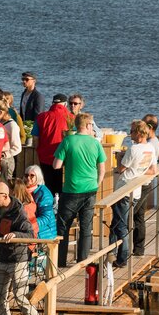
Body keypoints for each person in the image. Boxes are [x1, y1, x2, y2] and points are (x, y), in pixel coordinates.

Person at [53, 112, 106, 267]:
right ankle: (82, 262)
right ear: (88, 126)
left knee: (63, 227)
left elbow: (56, 165)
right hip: (90, 190)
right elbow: (101, 169)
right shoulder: (95, 143)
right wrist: (96, 184)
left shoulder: (68, 140)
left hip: (71, 190)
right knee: (86, 227)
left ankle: (60, 261)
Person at [0, 181, 41, 315]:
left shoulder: (19, 211)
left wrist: (15, 235)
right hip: (0, 259)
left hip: (17, 259)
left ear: (5, 196)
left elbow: (29, 235)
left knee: (20, 297)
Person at [113, 120, 159, 264]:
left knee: (120, 224)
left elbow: (121, 169)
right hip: (137, 190)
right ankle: (114, 252)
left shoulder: (133, 149)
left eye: (132, 131)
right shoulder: (150, 148)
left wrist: (119, 158)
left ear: (139, 133)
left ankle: (122, 258)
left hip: (125, 187)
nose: (130, 133)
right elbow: (153, 170)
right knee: (123, 222)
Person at [36, 94, 71, 198]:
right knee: (63, 187)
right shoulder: (71, 118)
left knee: (49, 186)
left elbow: (35, 138)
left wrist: (38, 149)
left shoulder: (41, 117)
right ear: (65, 104)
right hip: (64, 159)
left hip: (45, 157)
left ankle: (49, 208)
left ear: (52, 103)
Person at [25, 165, 57, 240]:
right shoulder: (24, 191)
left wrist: (28, 226)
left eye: (32, 175)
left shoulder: (44, 193)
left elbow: (46, 218)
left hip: (45, 233)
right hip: (30, 229)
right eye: (26, 175)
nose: (28, 178)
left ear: (38, 177)